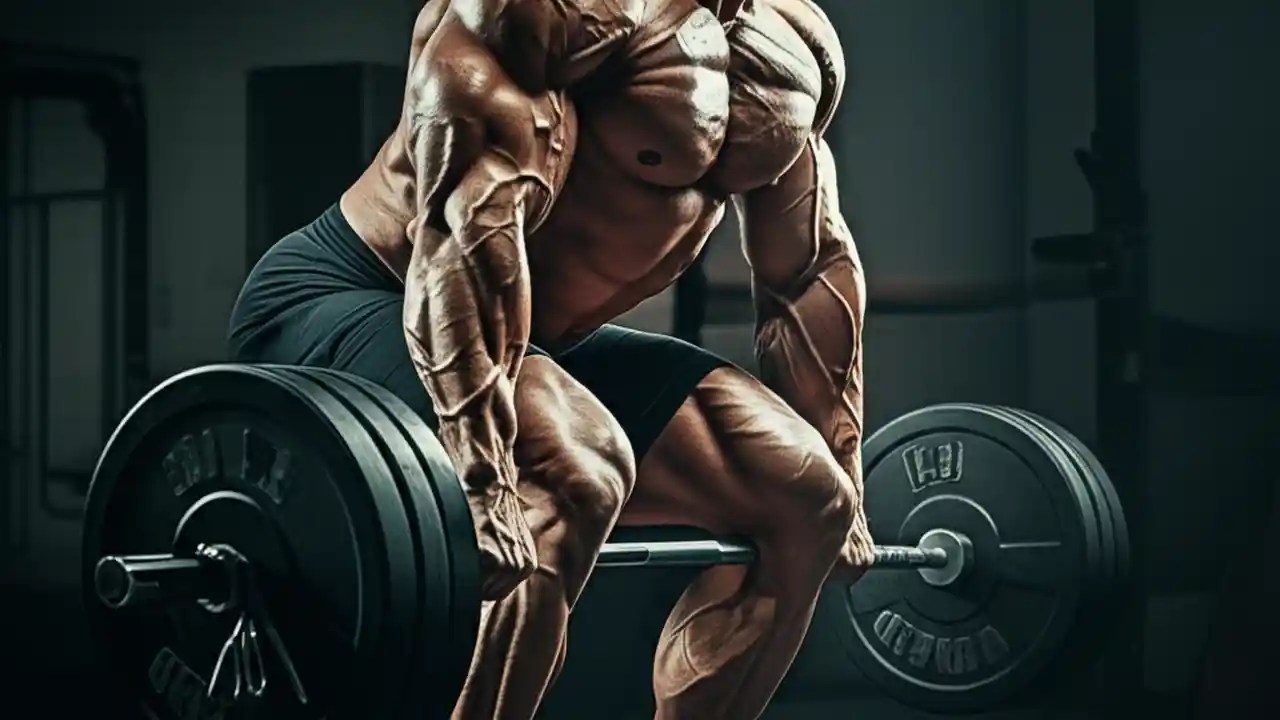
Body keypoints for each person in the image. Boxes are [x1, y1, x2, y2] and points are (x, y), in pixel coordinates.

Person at [228, 1, 874, 717]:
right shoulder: (550, 15)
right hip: (358, 293)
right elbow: (460, 232)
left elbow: (809, 270)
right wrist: (484, 477)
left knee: (809, 497)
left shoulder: (793, 42)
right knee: (576, 472)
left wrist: (845, 465)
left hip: (532, 330)